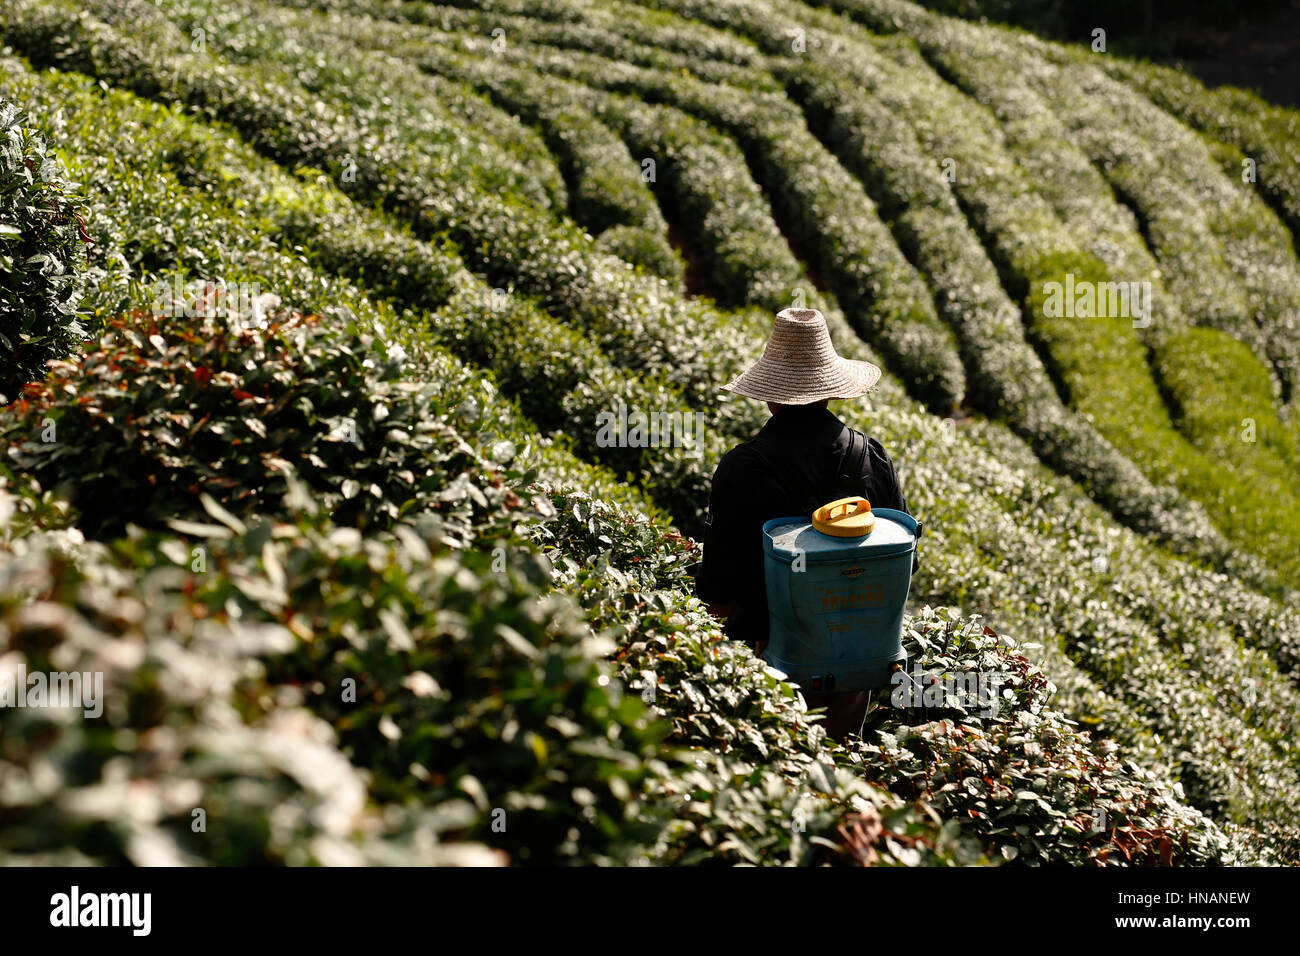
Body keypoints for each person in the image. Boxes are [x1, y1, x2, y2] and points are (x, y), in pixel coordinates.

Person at [695, 308, 917, 741]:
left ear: (770, 394)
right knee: (836, 770)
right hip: (856, 663)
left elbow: (718, 589)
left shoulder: (744, 466)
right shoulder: (870, 455)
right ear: (831, 391)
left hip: (770, 662)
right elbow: (905, 561)